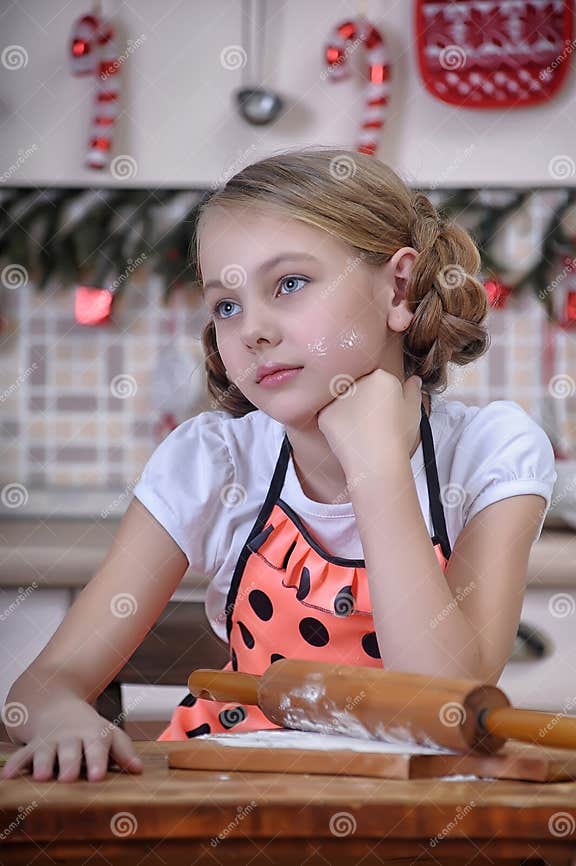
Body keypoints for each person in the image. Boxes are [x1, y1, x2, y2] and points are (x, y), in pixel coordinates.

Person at [2, 147, 557, 781]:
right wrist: (61, 714)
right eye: (226, 305)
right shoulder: (212, 463)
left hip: (407, 814)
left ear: (398, 288)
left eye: (289, 284)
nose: (252, 330)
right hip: (230, 800)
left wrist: (376, 466)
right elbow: (39, 688)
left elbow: (445, 705)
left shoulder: (491, 455)